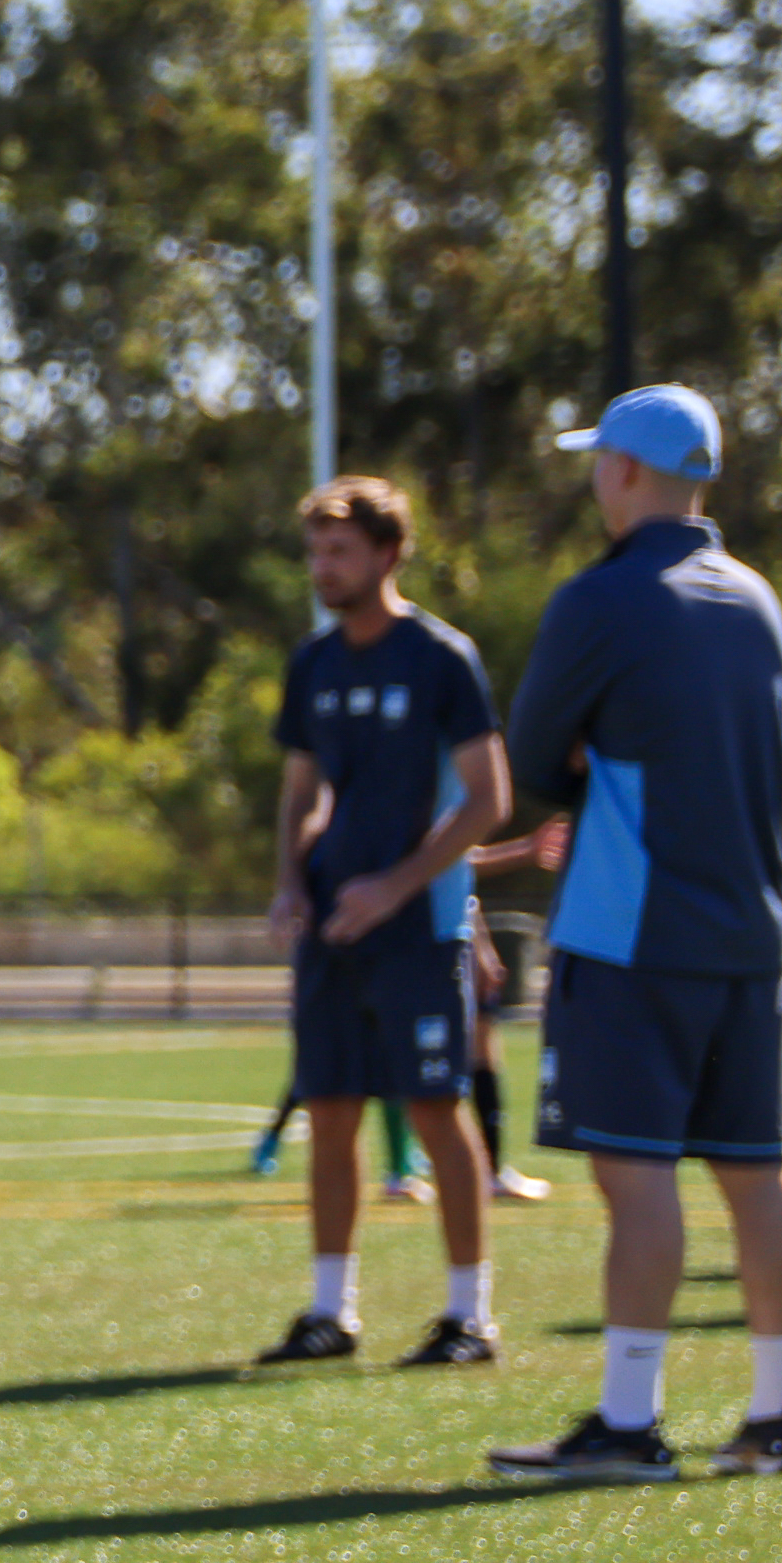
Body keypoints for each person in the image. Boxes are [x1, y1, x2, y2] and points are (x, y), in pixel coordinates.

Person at [483, 388, 782, 1484]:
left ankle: (631, 1421)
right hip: (748, 931)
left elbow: (532, 755)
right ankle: (777, 1417)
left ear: (623, 470)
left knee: (639, 1180)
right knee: (755, 1174)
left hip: (632, 930)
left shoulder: (604, 597)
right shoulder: (759, 599)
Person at [250, 477, 511, 1371]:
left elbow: (489, 799)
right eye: (316, 552)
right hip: (330, 930)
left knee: (439, 1112)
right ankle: (331, 1313)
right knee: (329, 1114)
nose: (325, 567)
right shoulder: (313, 664)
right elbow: (299, 793)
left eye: (341, 551)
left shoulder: (441, 658)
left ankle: (468, 1316)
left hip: (416, 925)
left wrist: (396, 887)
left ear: (389, 555)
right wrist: (290, 881)